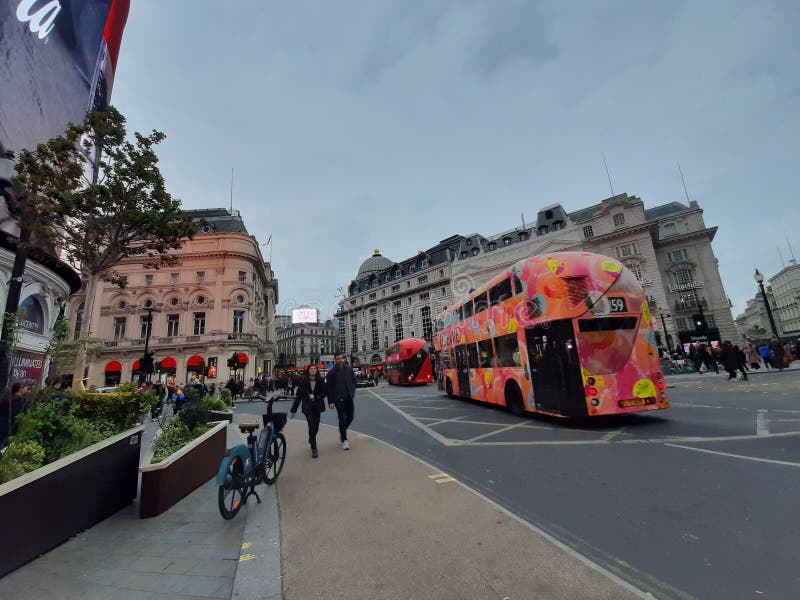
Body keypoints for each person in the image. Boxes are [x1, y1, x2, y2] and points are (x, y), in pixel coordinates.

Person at [290, 365, 327, 458]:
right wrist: (293, 410)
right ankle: (314, 448)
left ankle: (311, 437)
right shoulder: (303, 381)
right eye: (311, 368)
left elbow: (324, 393)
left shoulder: (321, 380)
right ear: (308, 371)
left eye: (315, 368)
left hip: (317, 406)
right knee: (311, 425)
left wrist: (316, 396)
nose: (313, 370)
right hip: (307, 406)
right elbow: (298, 396)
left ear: (317, 370)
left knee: (316, 426)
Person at [327, 353, 357, 450]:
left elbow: (354, 380)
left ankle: (342, 430)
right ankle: (344, 440)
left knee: (351, 417)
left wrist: (352, 390)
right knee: (342, 418)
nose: (340, 360)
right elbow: (329, 388)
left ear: (343, 359)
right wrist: (330, 401)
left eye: (341, 358)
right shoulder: (331, 373)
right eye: (337, 359)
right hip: (338, 399)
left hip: (348, 397)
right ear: (334, 360)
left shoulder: (348, 369)